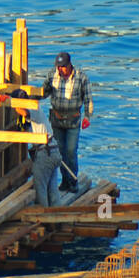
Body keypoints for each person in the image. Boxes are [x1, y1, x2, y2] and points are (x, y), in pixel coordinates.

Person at [40, 51, 93, 192]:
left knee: (71, 151)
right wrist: (27, 97)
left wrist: (87, 116)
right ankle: (64, 181)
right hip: (56, 120)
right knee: (60, 152)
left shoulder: (81, 78)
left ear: (69, 65)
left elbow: (88, 99)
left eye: (63, 67)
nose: (60, 69)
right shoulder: (52, 76)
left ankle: (73, 181)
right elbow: (43, 92)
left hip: (73, 121)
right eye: (58, 66)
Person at [24, 107, 61, 207]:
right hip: (53, 150)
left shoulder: (33, 108)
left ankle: (42, 216)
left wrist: (10, 102)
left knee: (40, 188)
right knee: (52, 188)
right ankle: (56, 216)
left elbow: (23, 111)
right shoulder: (37, 111)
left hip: (45, 152)